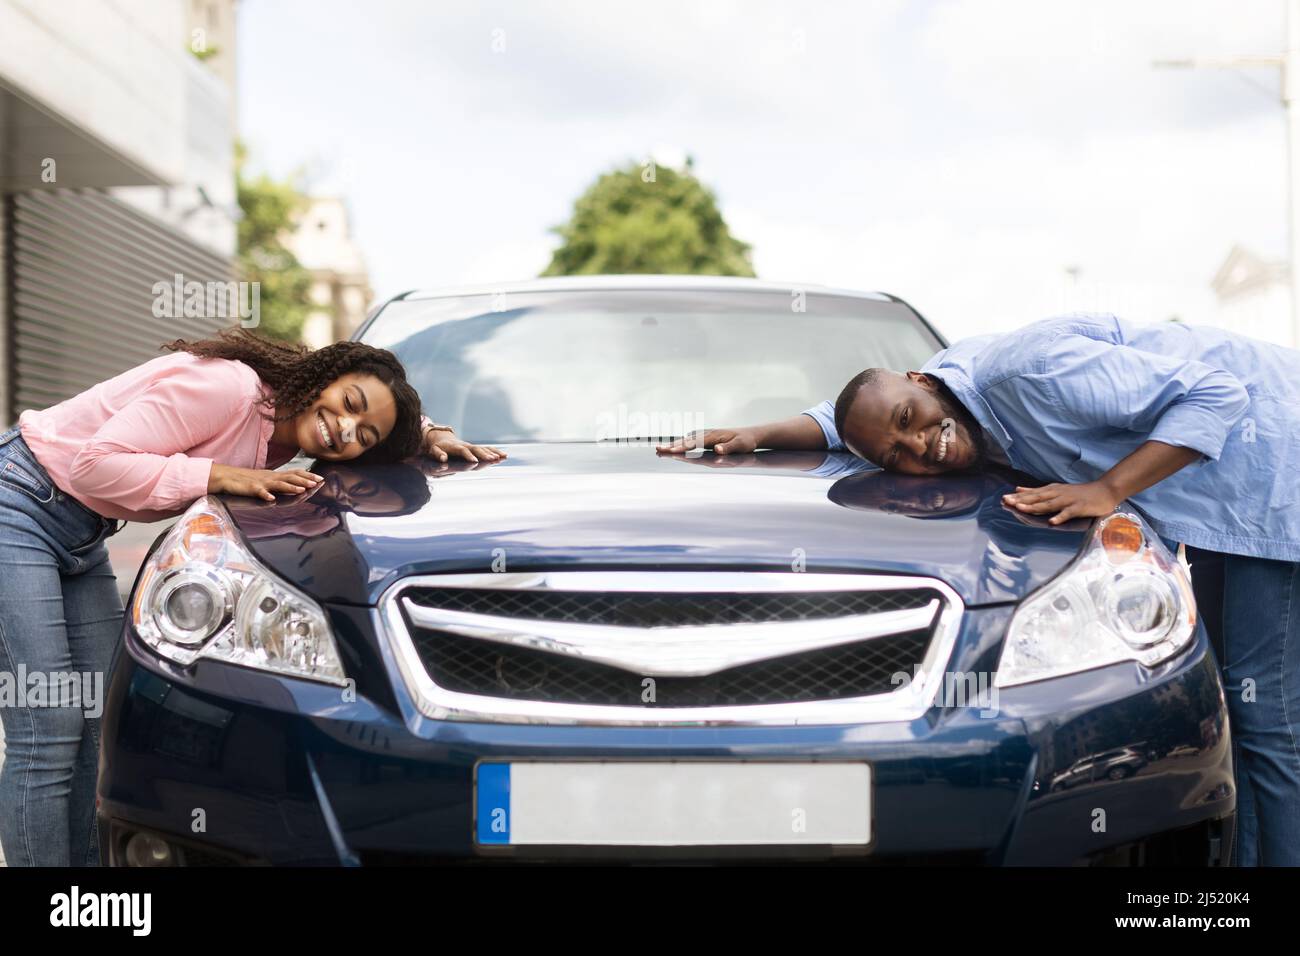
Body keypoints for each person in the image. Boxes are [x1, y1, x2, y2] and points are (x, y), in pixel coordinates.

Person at [659, 312, 1300, 866]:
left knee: (1264, 715)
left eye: (912, 420)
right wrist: (759, 434)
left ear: (921, 380)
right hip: (1221, 504)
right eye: (897, 454)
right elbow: (855, 417)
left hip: (1273, 465)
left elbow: (1216, 394)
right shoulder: (929, 393)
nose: (921, 447)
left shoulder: (1029, 371)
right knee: (1237, 703)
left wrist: (1107, 490)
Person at [0, 328, 501, 866]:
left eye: (366, 435)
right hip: (21, 501)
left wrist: (429, 434)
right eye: (349, 403)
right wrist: (221, 476)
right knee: (47, 728)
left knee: (97, 720)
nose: (346, 427)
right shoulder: (232, 390)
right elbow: (94, 465)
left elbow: (378, 408)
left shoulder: (297, 423)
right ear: (326, 377)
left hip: (83, 530)